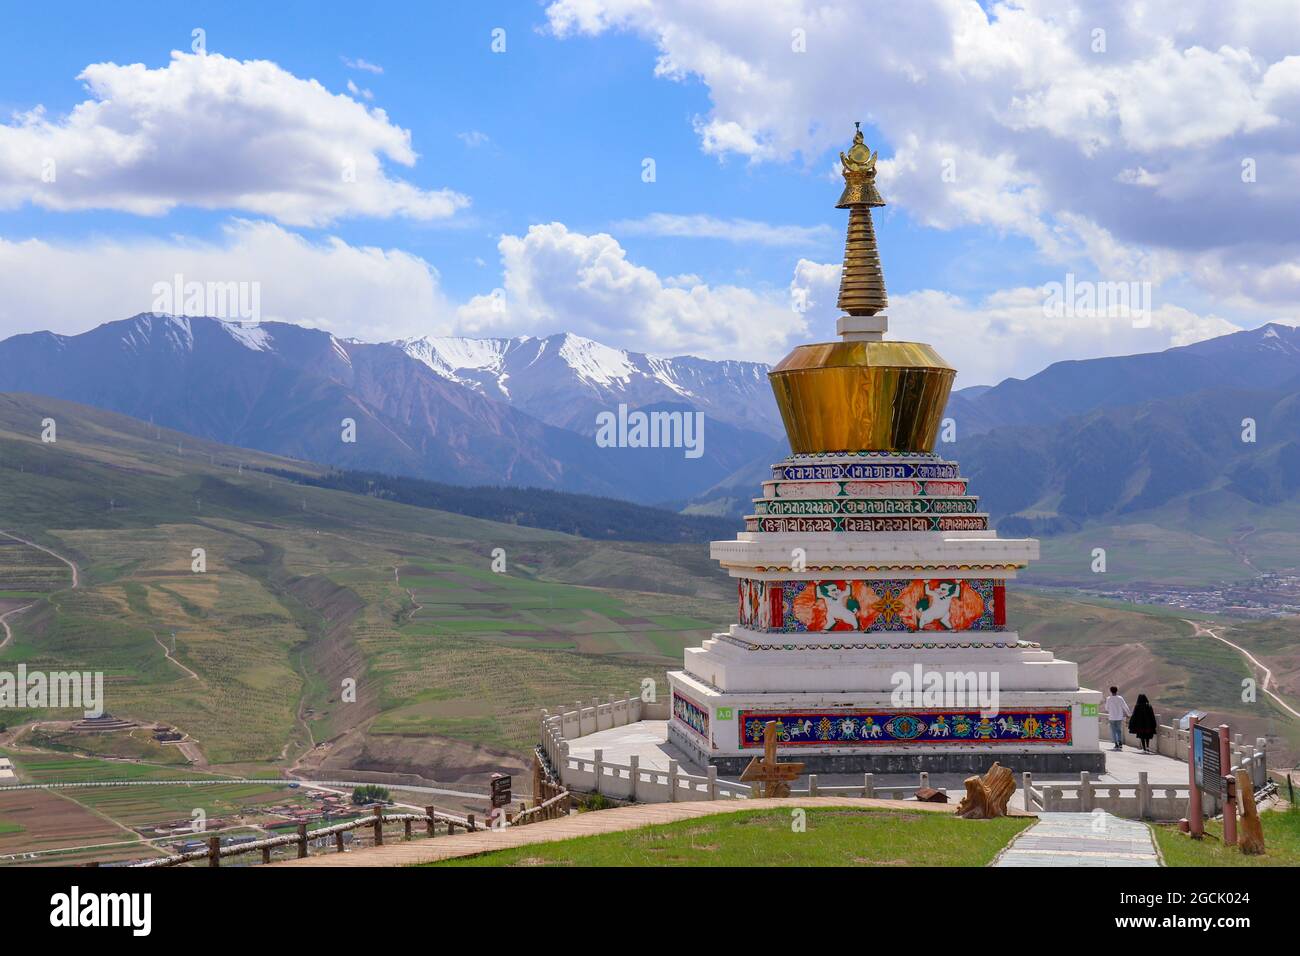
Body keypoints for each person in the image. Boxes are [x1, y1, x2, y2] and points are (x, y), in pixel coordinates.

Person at [1103, 686, 1130, 751]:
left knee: (1113, 731)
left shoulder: (1108, 698)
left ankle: (1116, 744)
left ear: (1110, 691)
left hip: (1112, 717)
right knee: (1119, 730)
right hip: (1119, 717)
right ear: (1117, 691)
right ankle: (1120, 743)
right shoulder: (1120, 698)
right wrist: (1129, 714)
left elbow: (1106, 708)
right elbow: (1125, 706)